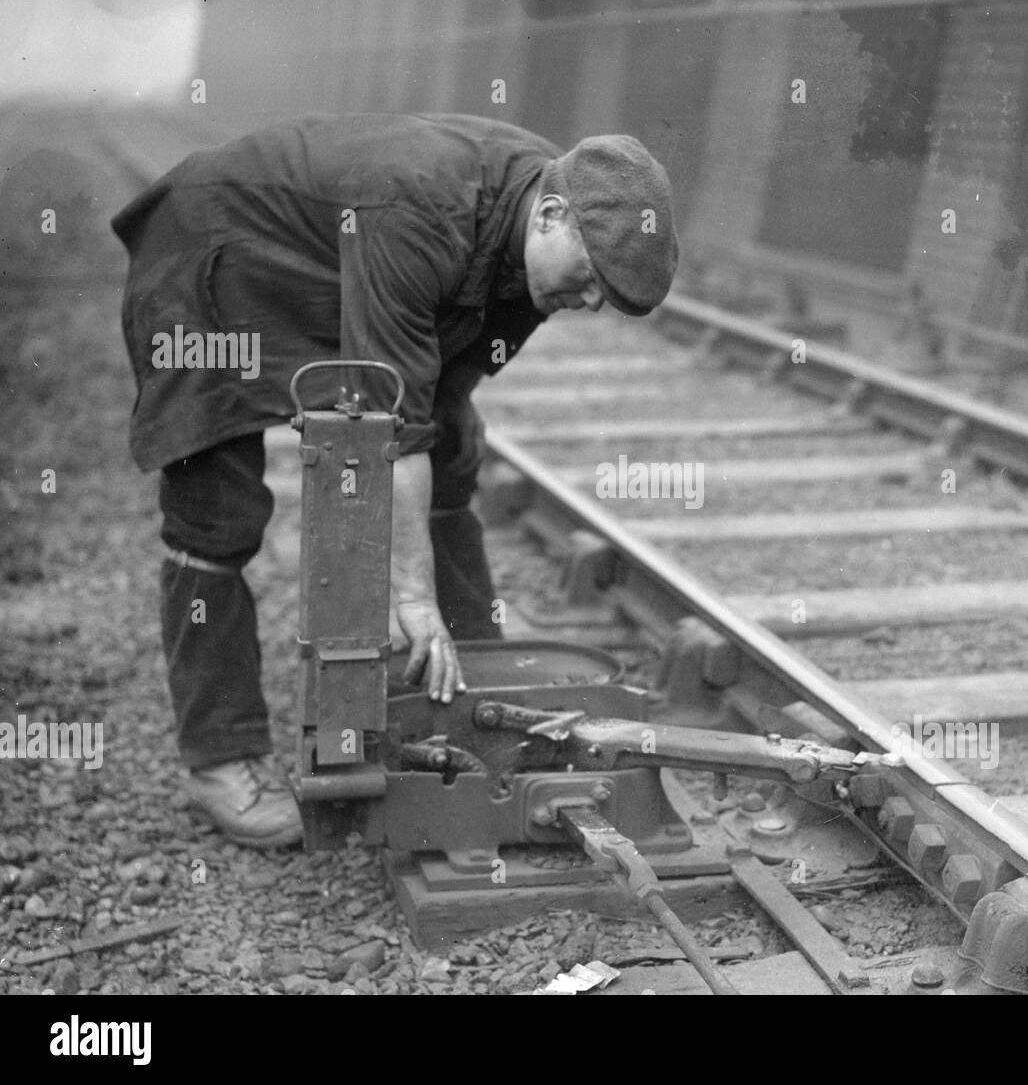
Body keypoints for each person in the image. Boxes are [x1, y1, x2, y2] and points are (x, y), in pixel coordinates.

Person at [111, 113, 678, 848]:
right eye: (594, 280)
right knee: (217, 513)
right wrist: (409, 594)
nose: (594, 302)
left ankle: (473, 676)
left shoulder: (542, 212)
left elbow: (438, 403)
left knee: (455, 450)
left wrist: (432, 583)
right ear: (551, 216)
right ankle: (219, 758)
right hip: (210, 258)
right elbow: (388, 426)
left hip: (332, 269)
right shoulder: (421, 212)